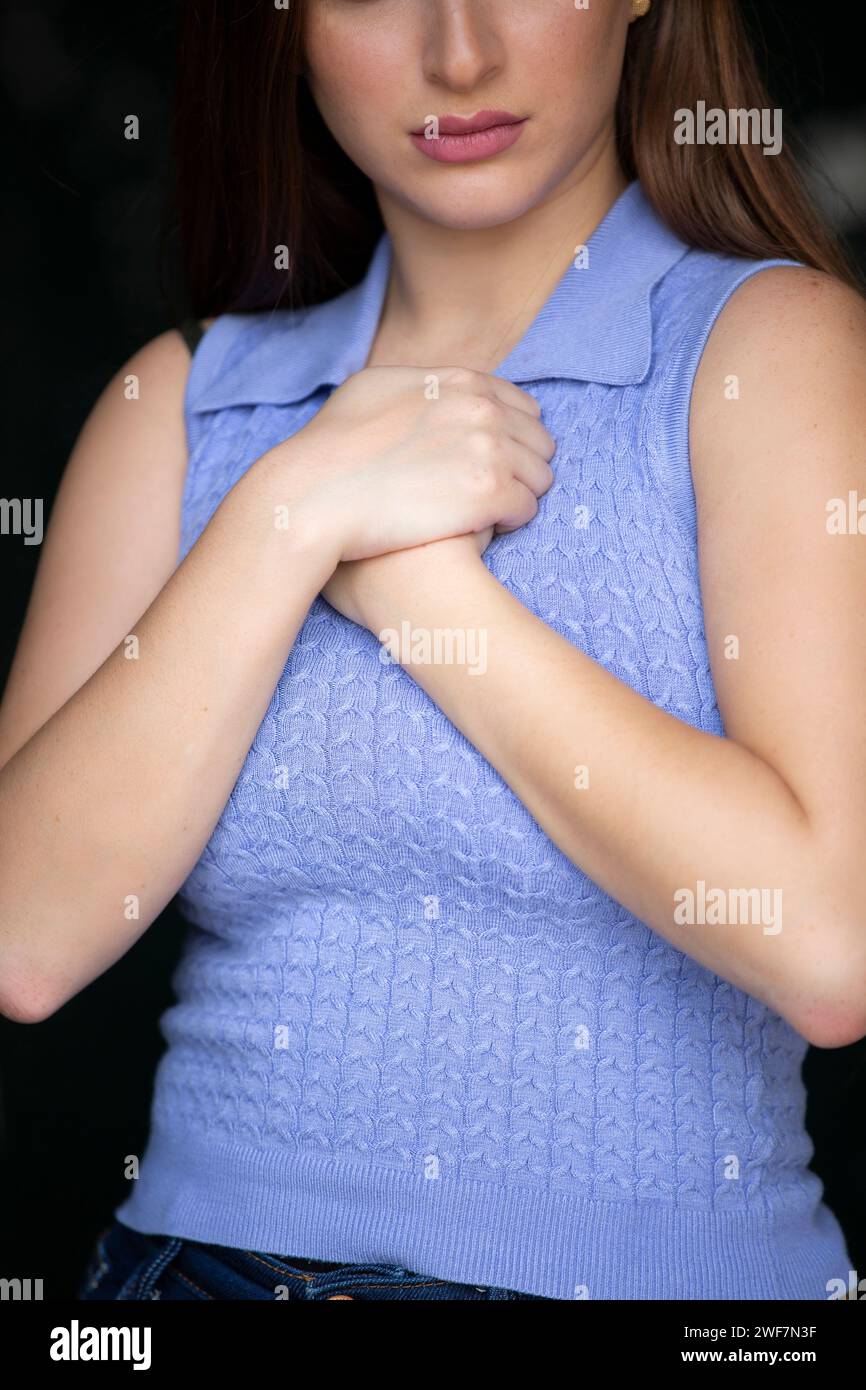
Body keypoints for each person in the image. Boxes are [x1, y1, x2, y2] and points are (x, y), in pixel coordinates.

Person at [2, 0, 865, 1301]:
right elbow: (23, 941)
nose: (458, 52)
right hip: (188, 1281)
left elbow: (827, 946)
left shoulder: (768, 351)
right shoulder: (184, 408)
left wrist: (414, 588)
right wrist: (292, 509)